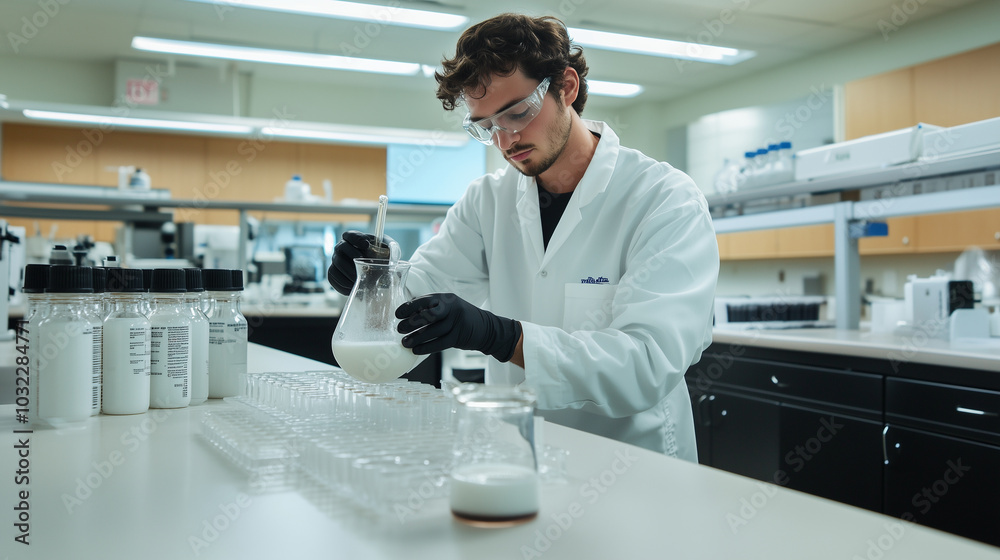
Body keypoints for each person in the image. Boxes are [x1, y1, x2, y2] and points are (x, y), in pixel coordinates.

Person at [328, 13, 718, 461]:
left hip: (631, 467)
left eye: (517, 112)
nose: (506, 138)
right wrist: (370, 280)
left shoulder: (664, 199)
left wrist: (502, 337)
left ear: (566, 87)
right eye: (487, 127)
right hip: (516, 459)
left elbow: (646, 364)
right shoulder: (487, 202)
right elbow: (412, 306)